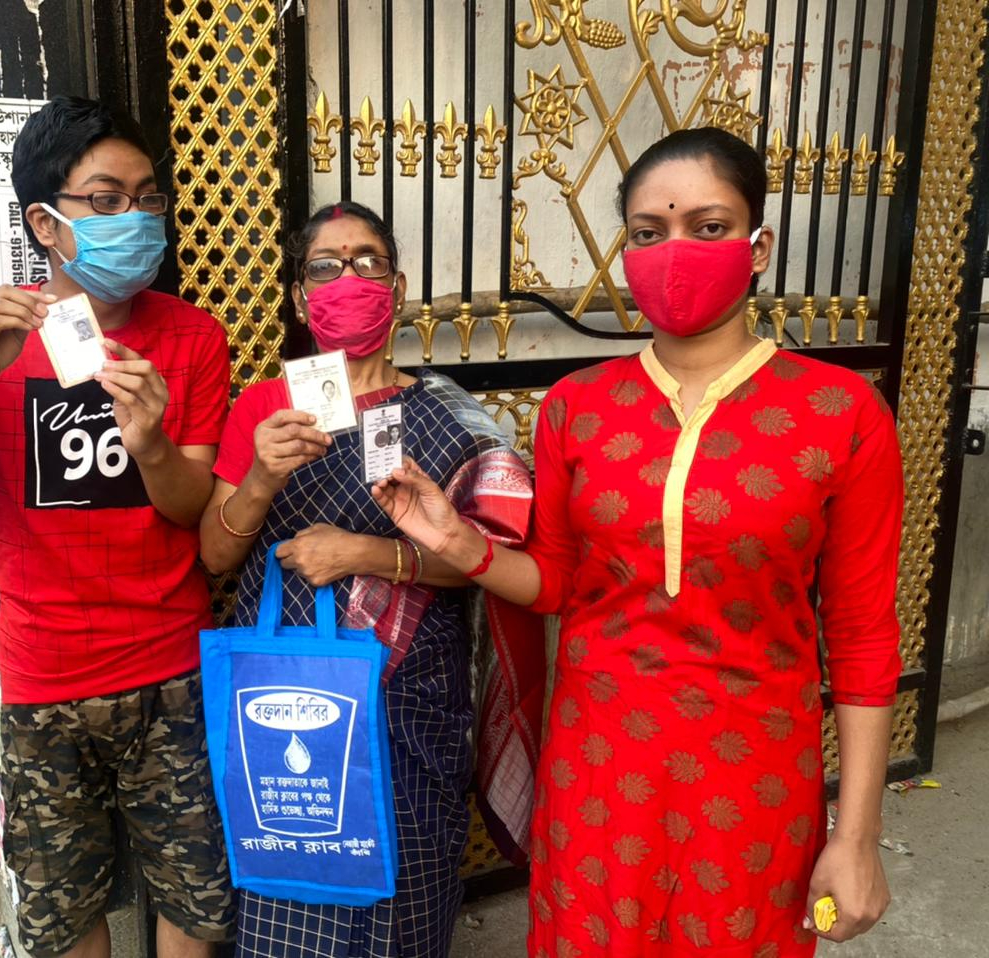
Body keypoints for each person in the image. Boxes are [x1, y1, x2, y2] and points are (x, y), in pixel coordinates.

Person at [371, 127, 902, 956]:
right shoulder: (578, 406)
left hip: (754, 782)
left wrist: (858, 833)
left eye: (709, 225)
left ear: (758, 246)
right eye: (649, 234)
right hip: (598, 778)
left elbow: (864, 635)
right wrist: (458, 542)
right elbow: (553, 583)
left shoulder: (841, 414)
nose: (676, 251)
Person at [0, 96, 234, 958]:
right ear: (46, 222)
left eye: (149, 199)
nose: (137, 219)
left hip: (171, 672)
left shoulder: (191, 338)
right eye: (108, 200)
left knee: (194, 902)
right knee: (62, 914)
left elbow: (194, 512)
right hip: (45, 678)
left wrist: (152, 443)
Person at [199, 201, 535, 958]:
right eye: (325, 266)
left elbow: (493, 565)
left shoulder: (452, 418)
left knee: (406, 903)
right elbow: (216, 558)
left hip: (409, 708)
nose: (347, 278)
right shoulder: (265, 407)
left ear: (398, 286)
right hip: (287, 704)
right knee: (289, 891)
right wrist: (258, 476)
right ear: (298, 296)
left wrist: (367, 553)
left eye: (367, 262)